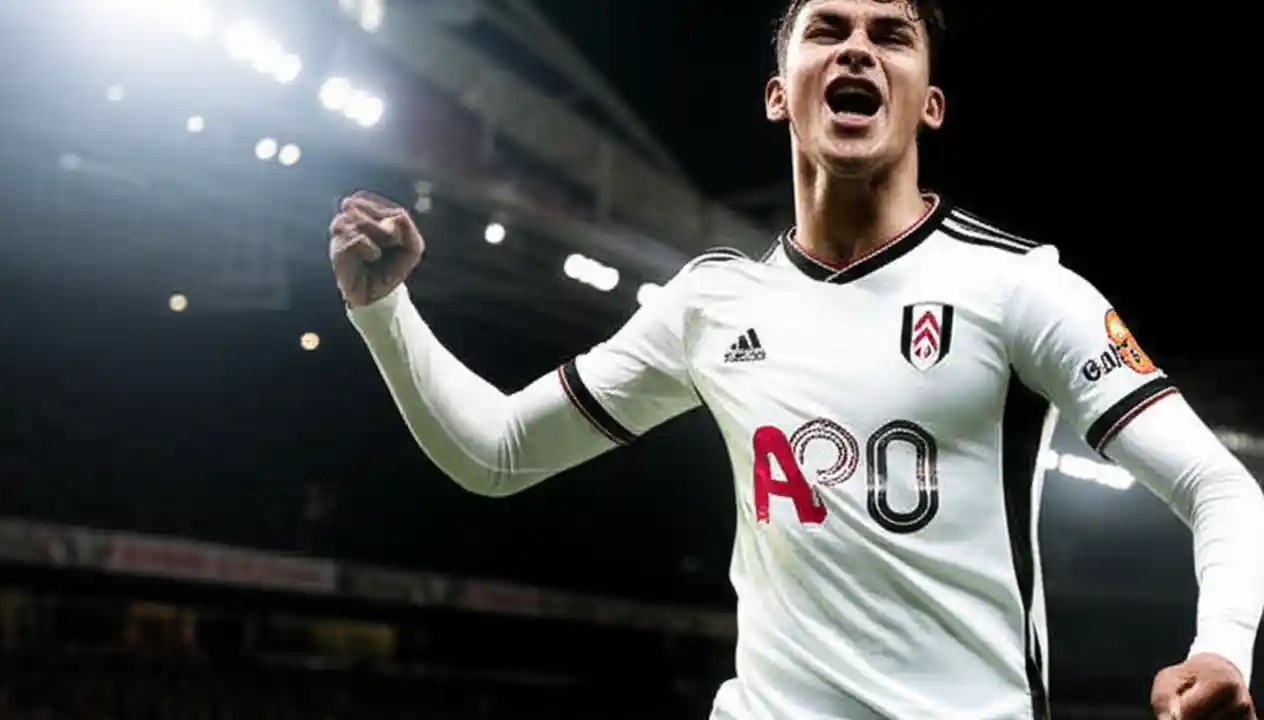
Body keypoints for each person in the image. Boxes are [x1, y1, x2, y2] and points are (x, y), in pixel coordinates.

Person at [328, 0, 1264, 717]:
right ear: (780, 91)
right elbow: (495, 452)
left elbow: (1222, 489)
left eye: (891, 35)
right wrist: (384, 313)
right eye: (827, 29)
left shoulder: (1020, 288)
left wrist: (1223, 649)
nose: (858, 48)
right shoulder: (710, 305)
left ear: (929, 105)